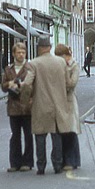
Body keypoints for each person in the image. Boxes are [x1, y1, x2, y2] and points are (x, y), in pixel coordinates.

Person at [28, 36, 73, 175]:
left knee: (40, 137)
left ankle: (41, 166)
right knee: (57, 136)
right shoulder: (61, 62)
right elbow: (68, 83)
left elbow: (27, 84)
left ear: (39, 48)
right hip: (58, 105)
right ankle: (57, 165)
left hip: (40, 105)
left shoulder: (34, 64)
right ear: (50, 47)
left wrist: (28, 98)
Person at [0, 42, 34, 172]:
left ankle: (27, 162)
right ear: (14, 54)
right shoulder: (8, 69)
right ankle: (15, 163)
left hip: (27, 106)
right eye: (19, 52)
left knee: (28, 135)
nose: (21, 55)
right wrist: (10, 83)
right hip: (13, 107)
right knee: (15, 135)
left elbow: (34, 86)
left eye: (23, 52)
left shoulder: (30, 68)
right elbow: (3, 87)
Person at [55, 43, 81, 171]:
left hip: (69, 101)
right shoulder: (59, 66)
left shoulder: (74, 66)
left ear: (66, 55)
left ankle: (72, 160)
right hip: (59, 101)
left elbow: (71, 83)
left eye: (61, 57)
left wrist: (64, 73)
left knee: (70, 131)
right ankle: (63, 160)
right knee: (61, 132)